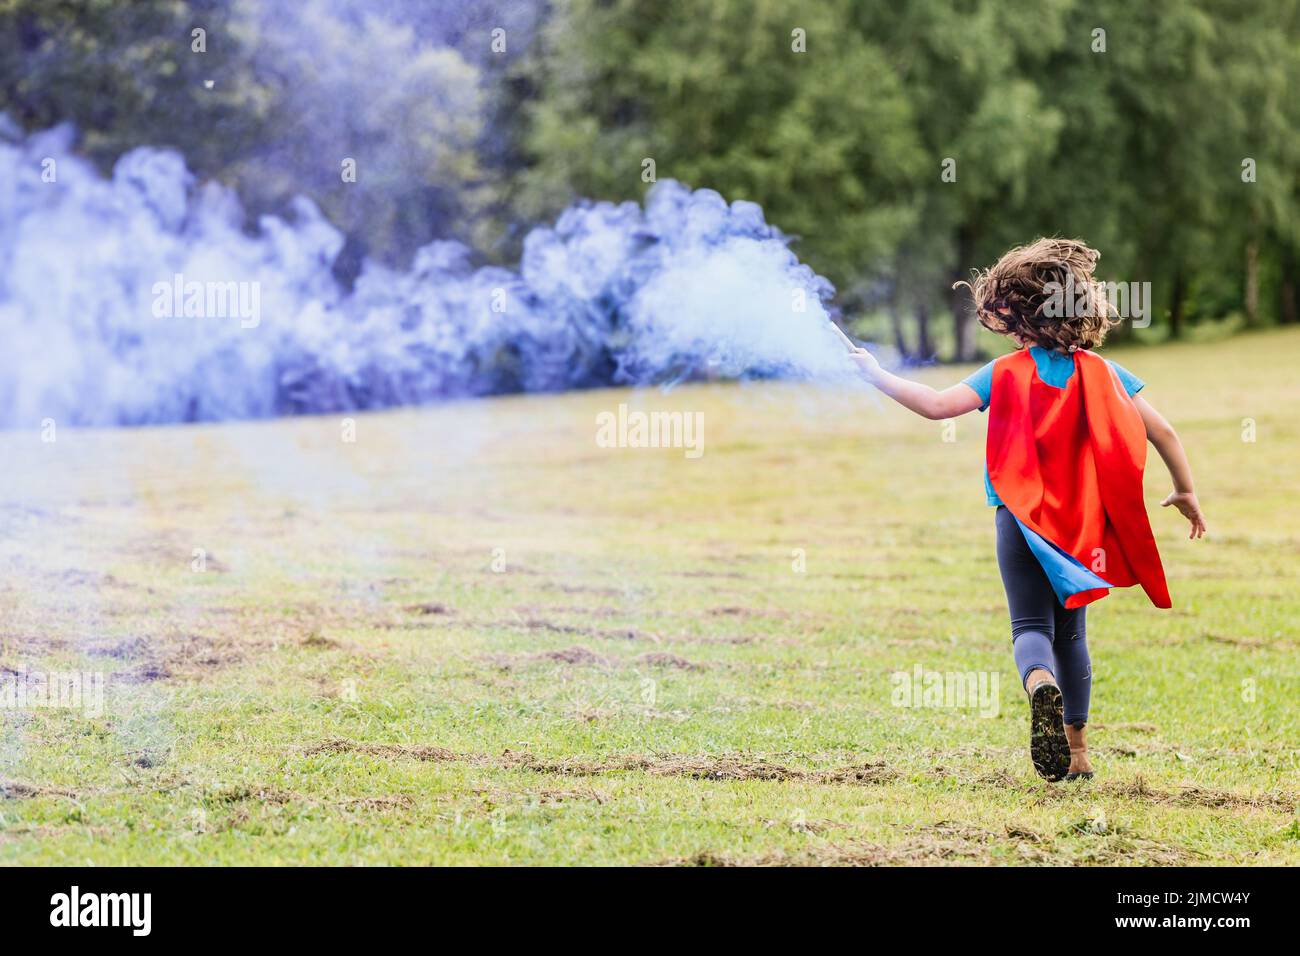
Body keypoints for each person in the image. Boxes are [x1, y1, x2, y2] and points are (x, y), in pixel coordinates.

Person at [849, 238, 1207, 781]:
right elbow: (1164, 432)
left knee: (1029, 626)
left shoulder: (1005, 372)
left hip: (1018, 522)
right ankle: (1080, 754)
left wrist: (874, 373)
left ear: (1016, 314)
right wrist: (1185, 491)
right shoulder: (1105, 374)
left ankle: (1039, 683)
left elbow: (936, 406)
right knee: (1073, 635)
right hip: (1079, 527)